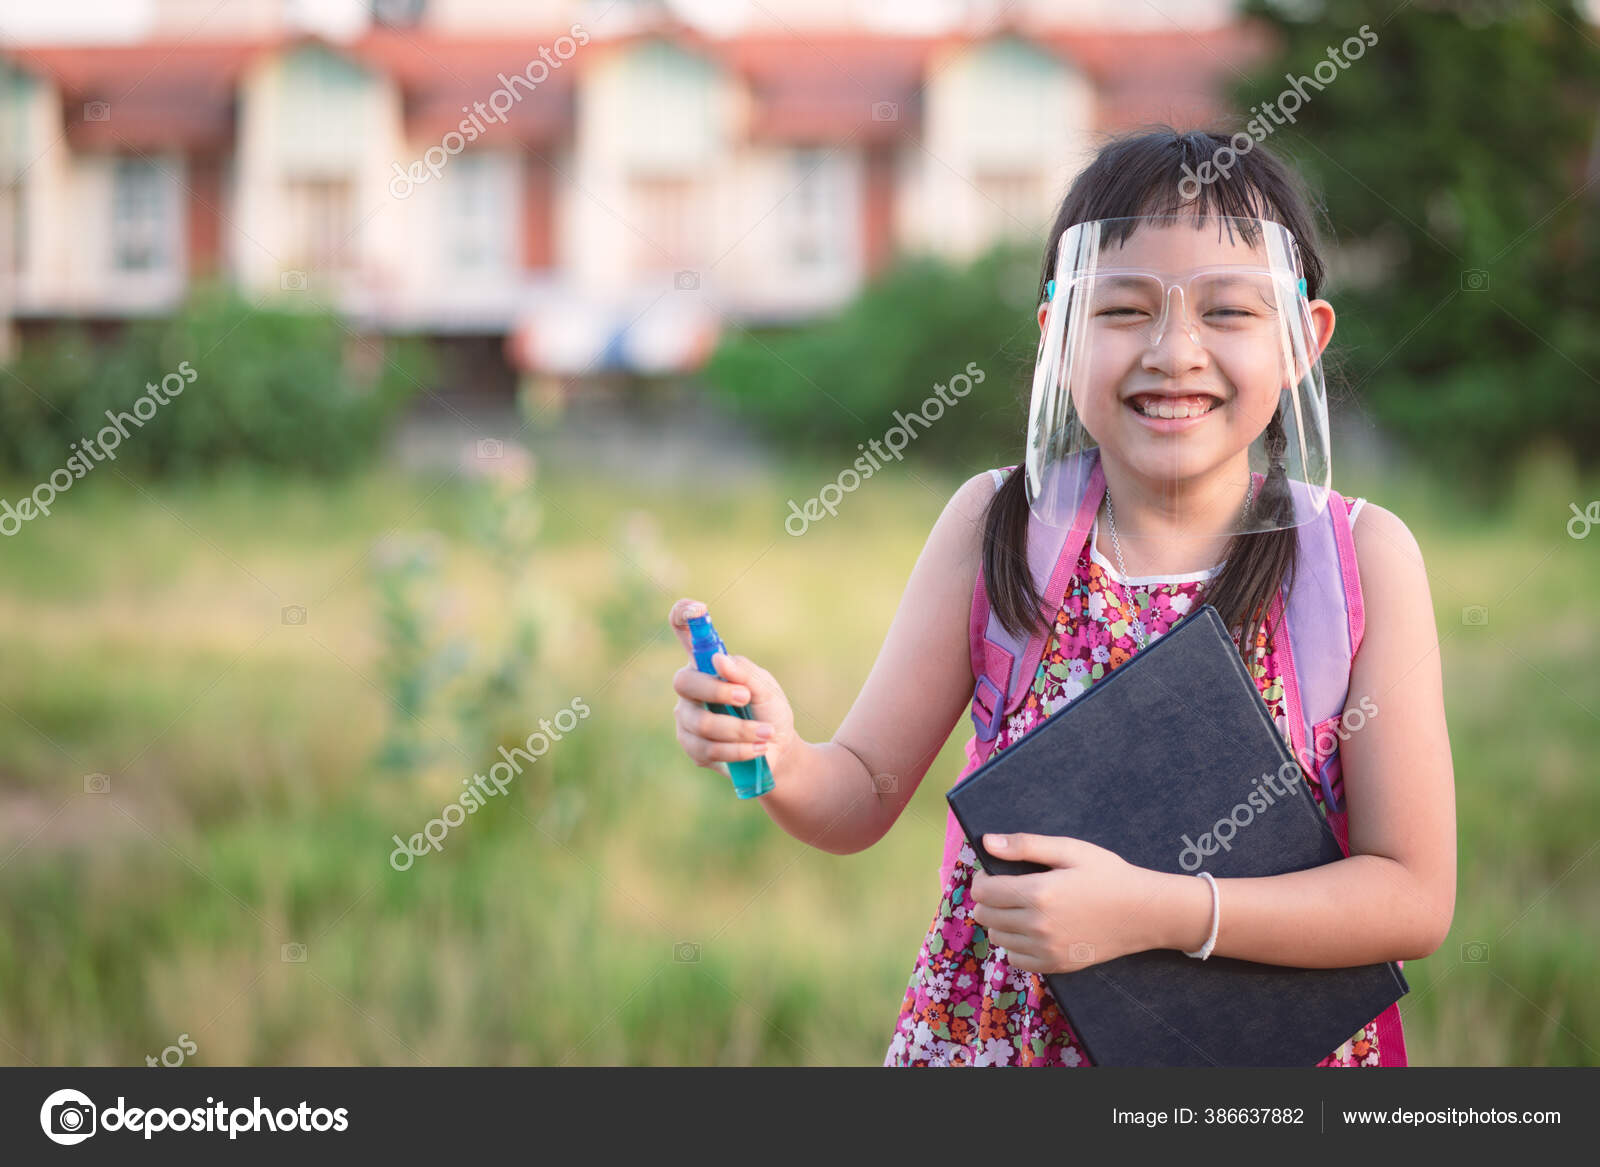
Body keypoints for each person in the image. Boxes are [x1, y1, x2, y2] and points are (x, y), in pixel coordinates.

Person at [668, 127, 1456, 1067]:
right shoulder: (1001, 527)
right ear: (1057, 333)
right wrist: (780, 753)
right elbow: (859, 797)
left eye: (1230, 312)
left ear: (1303, 340)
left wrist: (1153, 911)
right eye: (1123, 308)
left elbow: (1412, 895)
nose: (1175, 350)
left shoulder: (1357, 559)